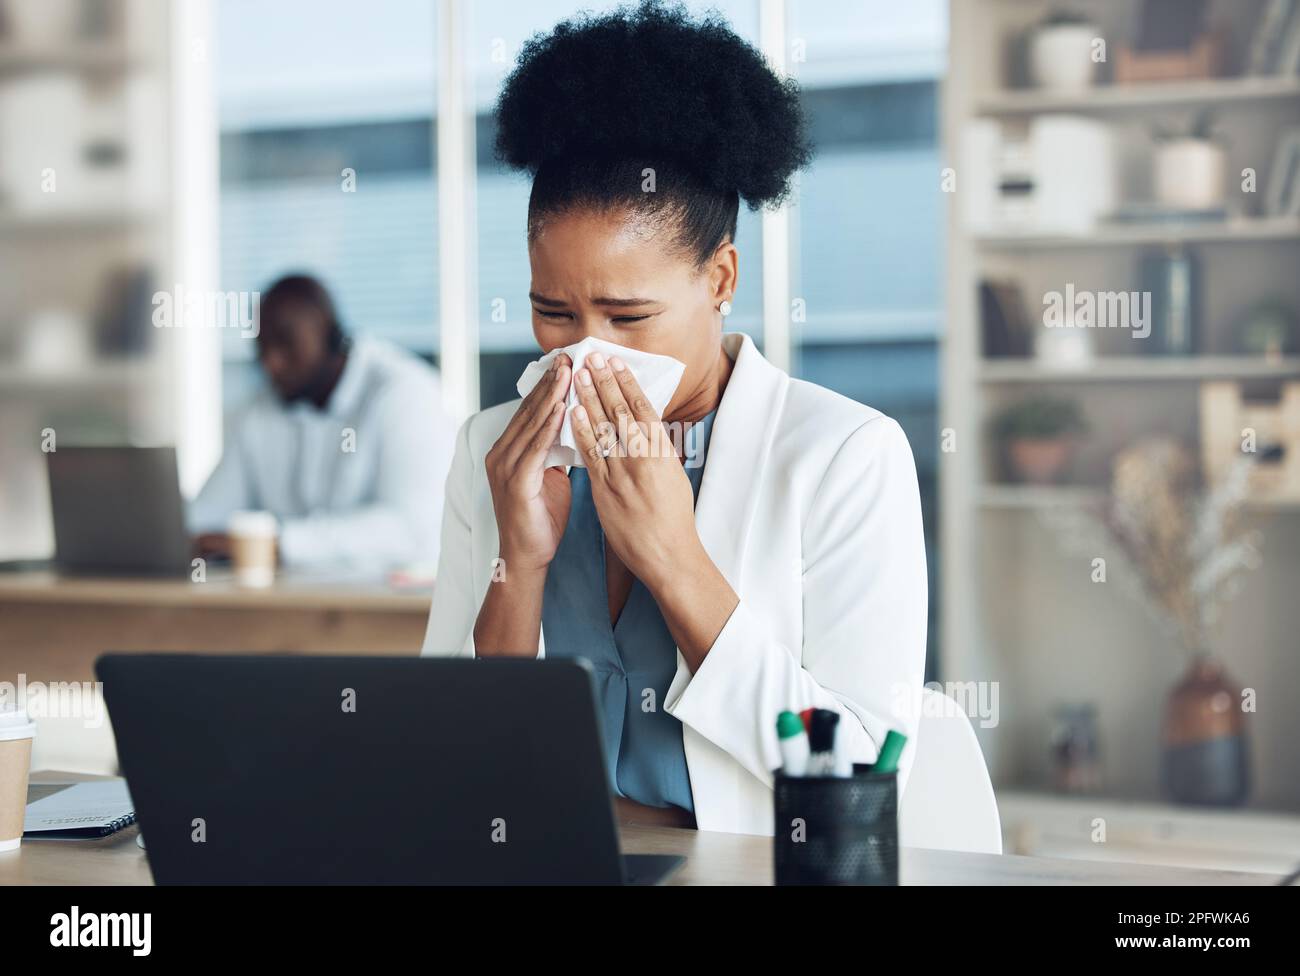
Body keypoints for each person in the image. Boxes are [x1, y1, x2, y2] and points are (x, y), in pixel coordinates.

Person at [421, 1, 927, 834]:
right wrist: (518, 561)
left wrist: (675, 563)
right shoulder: (495, 450)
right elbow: (444, 759)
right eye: (554, 312)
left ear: (721, 278)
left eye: (627, 317)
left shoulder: (845, 457)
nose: (587, 354)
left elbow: (861, 777)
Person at [190, 274, 456, 575]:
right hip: (294, 608)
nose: (271, 363)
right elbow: (207, 516)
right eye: (262, 349)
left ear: (332, 338)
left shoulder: (406, 394)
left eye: (286, 344)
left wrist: (281, 543)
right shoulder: (261, 409)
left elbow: (410, 529)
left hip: (392, 607)